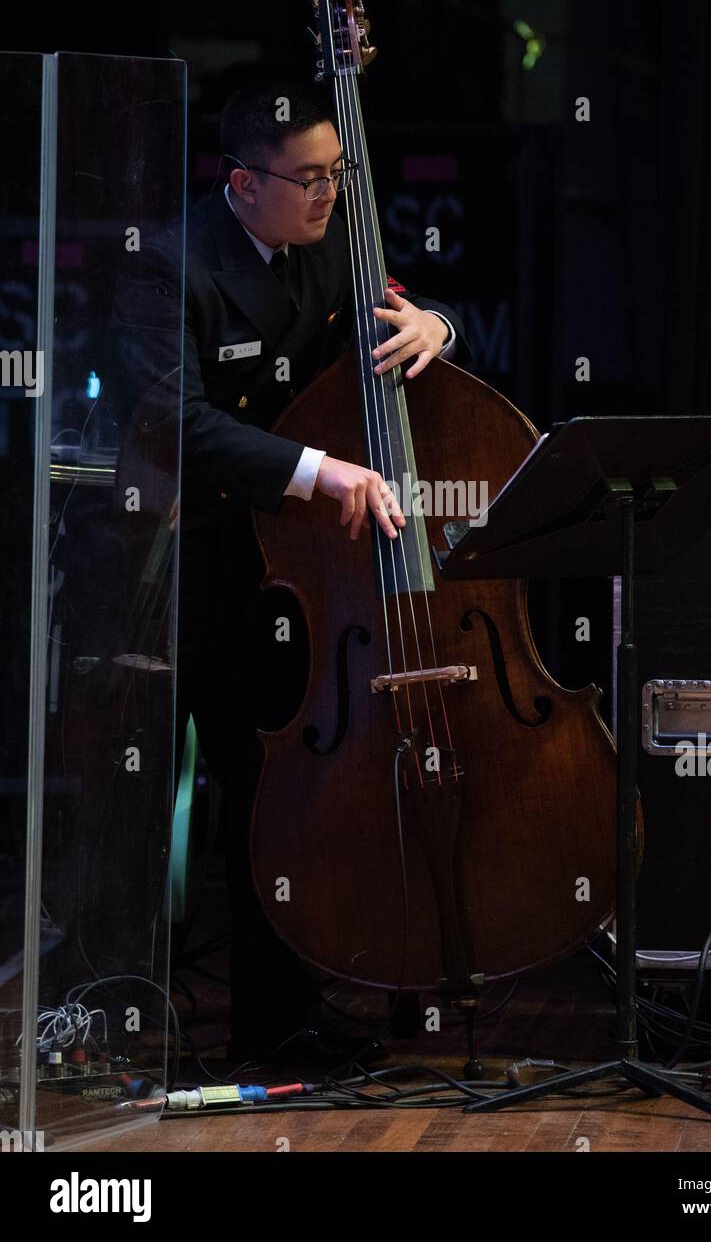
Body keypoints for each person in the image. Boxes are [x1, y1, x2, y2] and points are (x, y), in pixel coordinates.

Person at [115, 80, 470, 1066]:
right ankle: (117, 1017)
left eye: (337, 174)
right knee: (147, 804)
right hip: (173, 566)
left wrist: (438, 327)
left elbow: (402, 317)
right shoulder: (171, 267)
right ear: (242, 183)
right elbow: (174, 423)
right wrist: (320, 472)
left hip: (286, 575)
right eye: (309, 178)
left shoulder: (327, 254)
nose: (329, 196)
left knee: (275, 786)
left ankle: (281, 1019)